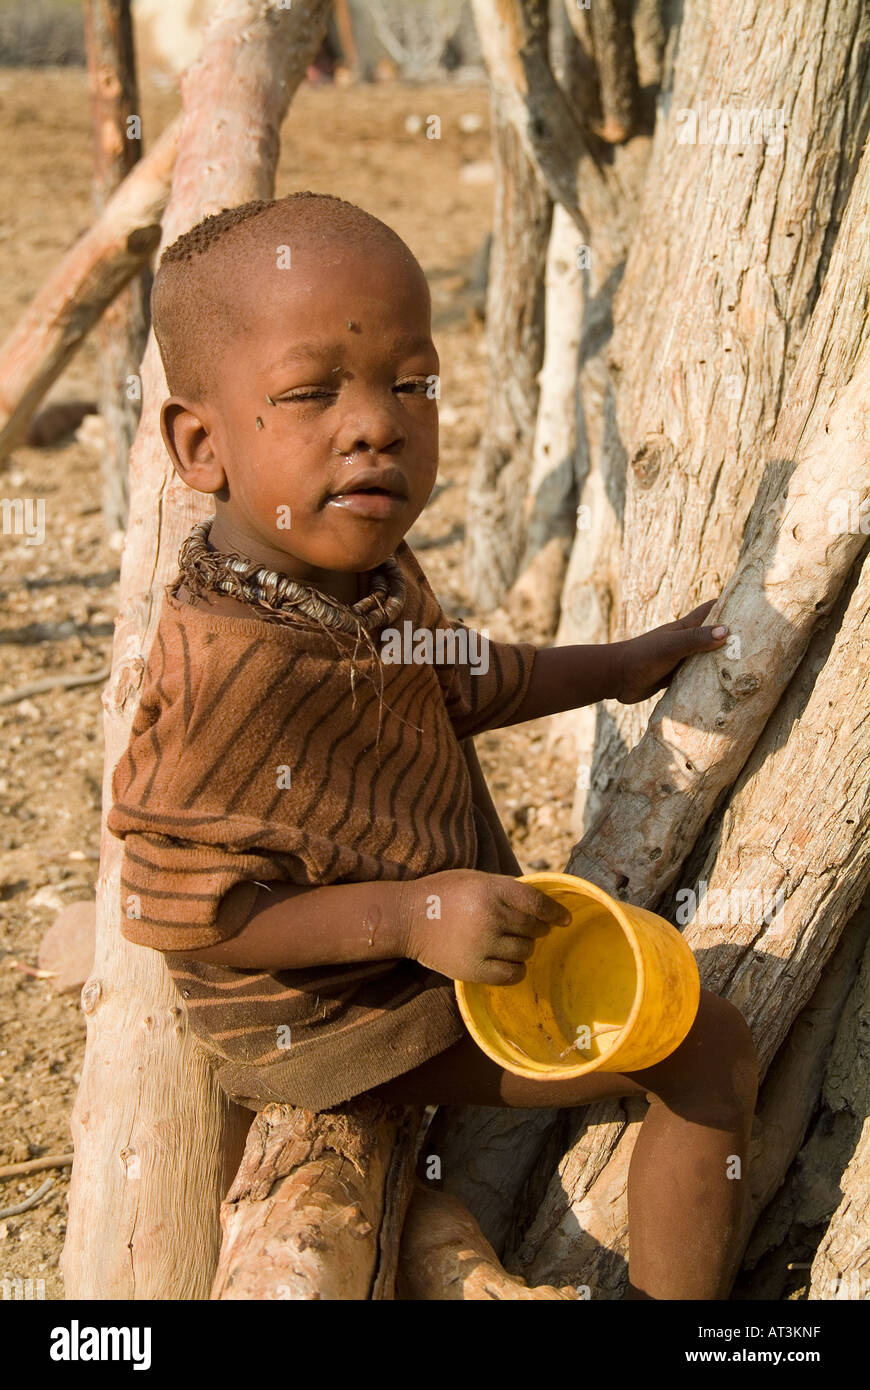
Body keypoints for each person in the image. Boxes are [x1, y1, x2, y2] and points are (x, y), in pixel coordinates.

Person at [108, 192, 758, 1300]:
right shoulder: (227, 672)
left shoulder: (356, 569)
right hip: (328, 1019)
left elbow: (457, 678)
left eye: (412, 385)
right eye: (312, 392)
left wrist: (617, 666)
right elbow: (177, 910)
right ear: (200, 444)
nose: (378, 424)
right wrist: (412, 916)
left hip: (413, 943)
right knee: (711, 1048)